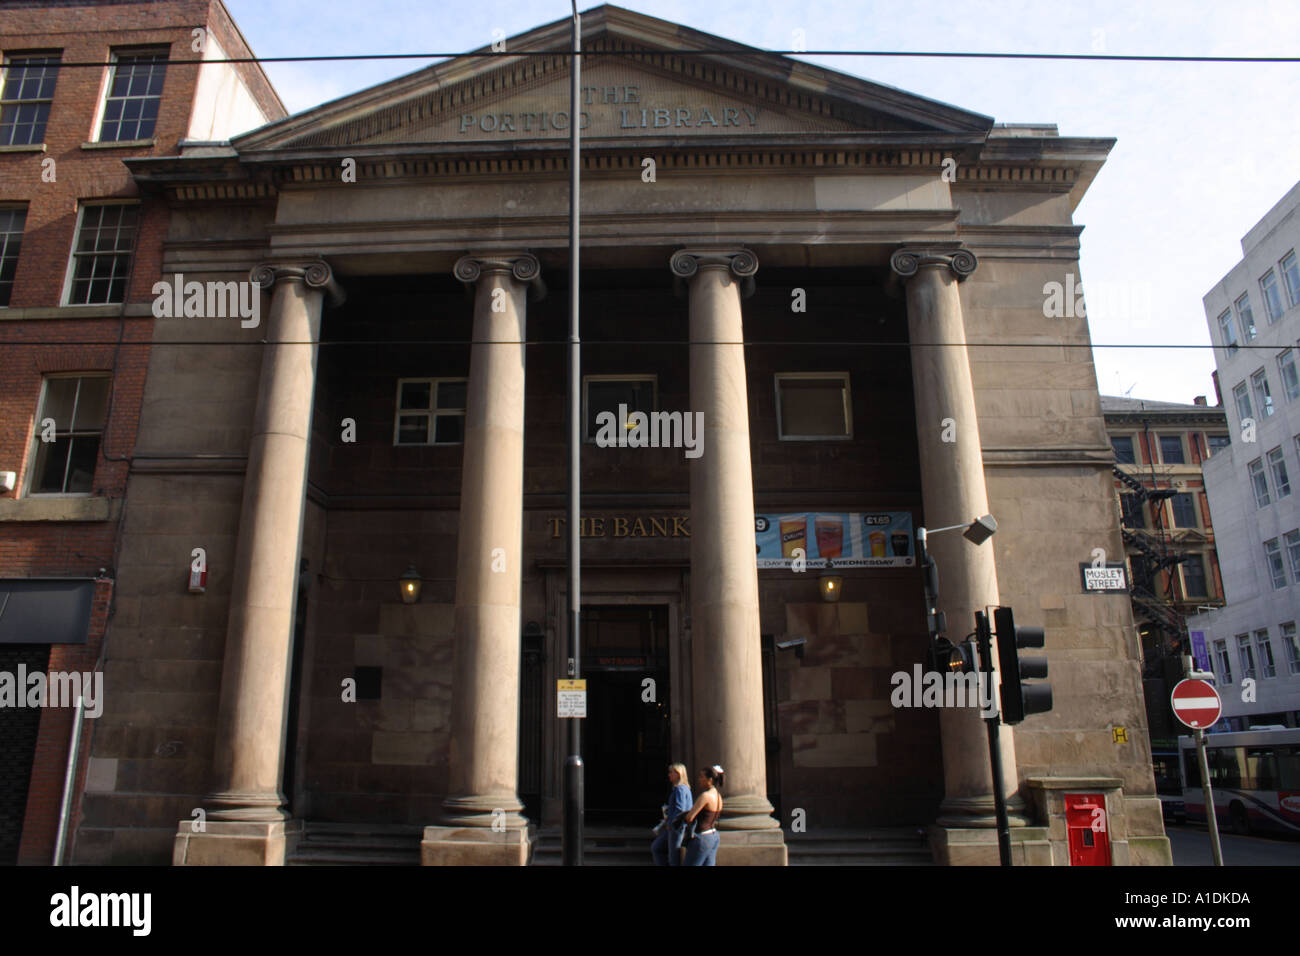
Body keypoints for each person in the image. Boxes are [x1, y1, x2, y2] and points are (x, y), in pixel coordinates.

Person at [680, 764, 723, 866]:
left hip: (702, 837)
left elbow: (690, 817)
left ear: (710, 780)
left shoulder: (705, 796)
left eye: (701, 776)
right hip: (714, 836)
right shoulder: (718, 796)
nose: (699, 779)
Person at [651, 763, 693, 866]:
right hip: (675, 827)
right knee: (657, 847)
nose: (669, 775)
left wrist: (670, 822)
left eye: (671, 772)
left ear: (678, 774)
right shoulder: (681, 789)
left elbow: (680, 809)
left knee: (673, 856)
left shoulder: (680, 789)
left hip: (676, 828)